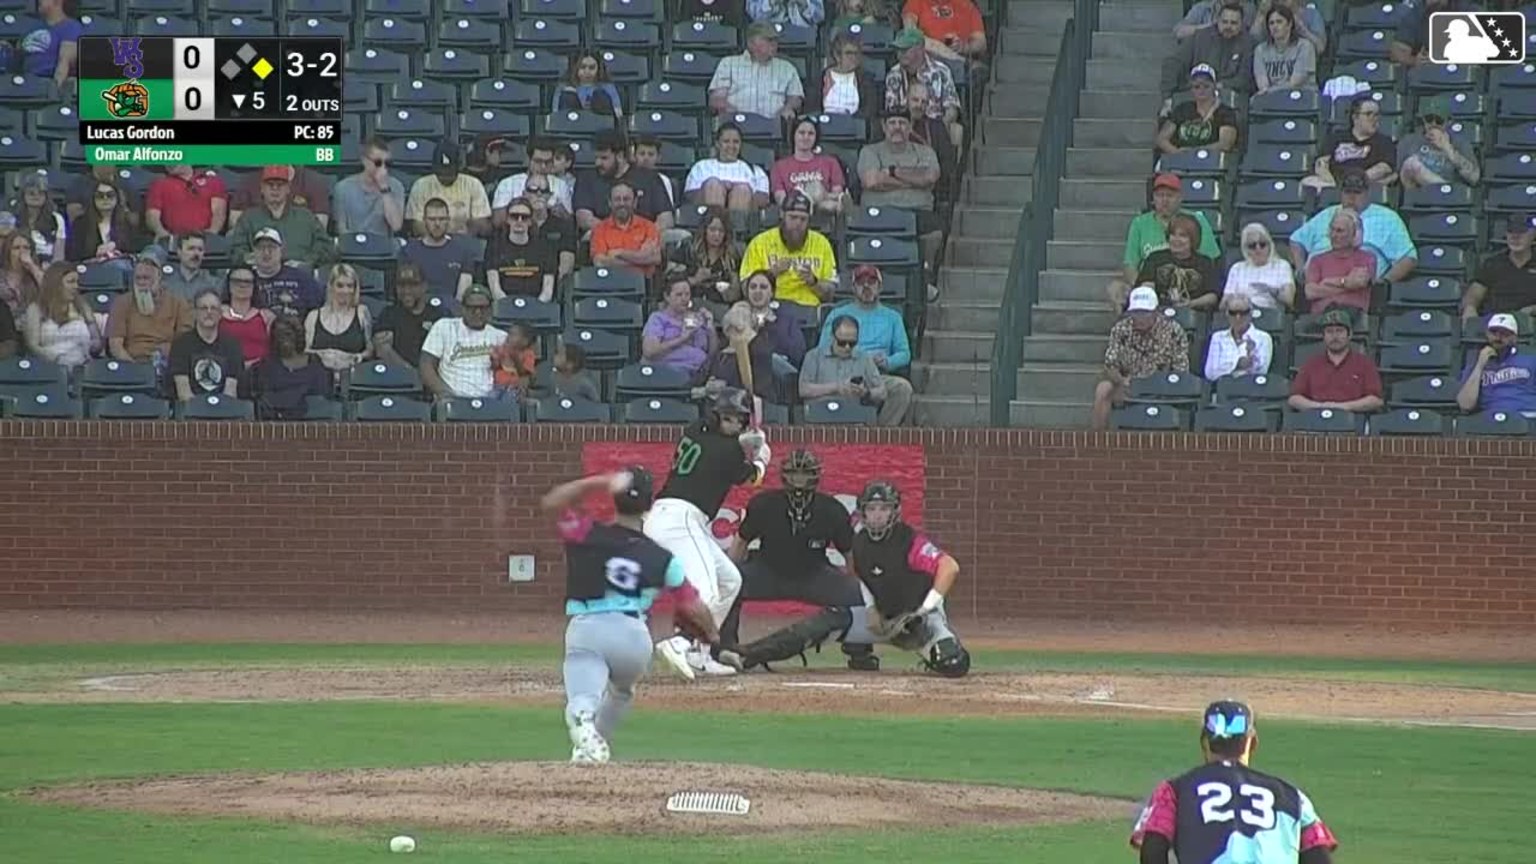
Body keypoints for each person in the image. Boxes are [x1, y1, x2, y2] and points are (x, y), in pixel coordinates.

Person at [541, 467, 720, 764]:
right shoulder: (663, 557)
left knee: (584, 692)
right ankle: (588, 750)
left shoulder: (585, 533)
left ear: (615, 499)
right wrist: (712, 634)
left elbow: (554, 501)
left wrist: (599, 482)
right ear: (650, 505)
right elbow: (693, 606)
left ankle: (583, 720)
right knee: (622, 691)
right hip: (634, 637)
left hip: (588, 629)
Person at [720, 480, 970, 678]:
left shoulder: (909, 541)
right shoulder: (859, 542)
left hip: (920, 617)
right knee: (822, 624)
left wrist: (924, 610)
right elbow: (863, 578)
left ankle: (927, 649)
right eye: (871, 509)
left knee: (953, 662)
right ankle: (747, 656)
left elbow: (949, 567)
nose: (877, 516)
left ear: (895, 511)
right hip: (883, 620)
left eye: (884, 509)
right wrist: (872, 609)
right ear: (862, 512)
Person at [647, 388, 772, 680]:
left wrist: (745, 447)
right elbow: (752, 479)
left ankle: (700, 654)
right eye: (726, 417)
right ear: (715, 416)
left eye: (738, 419)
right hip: (681, 518)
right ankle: (681, 642)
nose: (732, 423)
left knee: (730, 580)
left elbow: (723, 447)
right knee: (707, 590)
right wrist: (761, 457)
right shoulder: (727, 450)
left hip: (680, 519)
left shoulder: (695, 430)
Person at [717, 450, 875, 669]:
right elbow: (741, 541)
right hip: (767, 571)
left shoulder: (832, 509)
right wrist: (730, 573)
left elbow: (850, 555)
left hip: (814, 575)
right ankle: (725, 648)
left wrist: (858, 583)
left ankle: (859, 650)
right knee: (728, 583)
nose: (799, 481)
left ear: (816, 476)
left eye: (805, 474)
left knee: (860, 594)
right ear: (784, 476)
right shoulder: (763, 504)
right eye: (794, 474)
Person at [1131, 700, 1339, 864]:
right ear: (1253, 742)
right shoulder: (1294, 797)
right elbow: (1318, 856)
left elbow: (1153, 849)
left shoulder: (1174, 790)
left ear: (1204, 742)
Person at [169, 288, 245, 402]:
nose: (209, 312)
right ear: (194, 313)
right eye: (203, 308)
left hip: (223, 411)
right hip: (191, 413)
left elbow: (230, 392)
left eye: (214, 308)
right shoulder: (181, 344)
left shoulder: (232, 346)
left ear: (220, 314)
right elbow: (183, 393)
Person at [1456, 314, 1536, 417]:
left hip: (1528, 415)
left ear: (1514, 338)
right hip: (1492, 421)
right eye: (1493, 332)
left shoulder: (1531, 360)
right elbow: (1465, 405)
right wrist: (1480, 365)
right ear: (1487, 335)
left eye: (1504, 333)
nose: (1498, 337)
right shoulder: (1475, 363)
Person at [642, 279, 718, 381]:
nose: (684, 299)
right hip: (667, 374)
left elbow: (712, 354)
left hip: (700, 374)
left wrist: (710, 327)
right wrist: (682, 339)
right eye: (679, 295)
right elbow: (649, 351)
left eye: (687, 294)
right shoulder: (658, 319)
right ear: (667, 296)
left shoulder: (696, 318)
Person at [554, 52, 624, 118]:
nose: (587, 71)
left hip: (601, 125)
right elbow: (555, 114)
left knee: (600, 95)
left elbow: (618, 113)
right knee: (568, 96)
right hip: (573, 124)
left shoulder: (608, 87)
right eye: (583, 67)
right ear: (576, 68)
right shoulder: (563, 87)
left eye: (592, 68)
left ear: (598, 69)